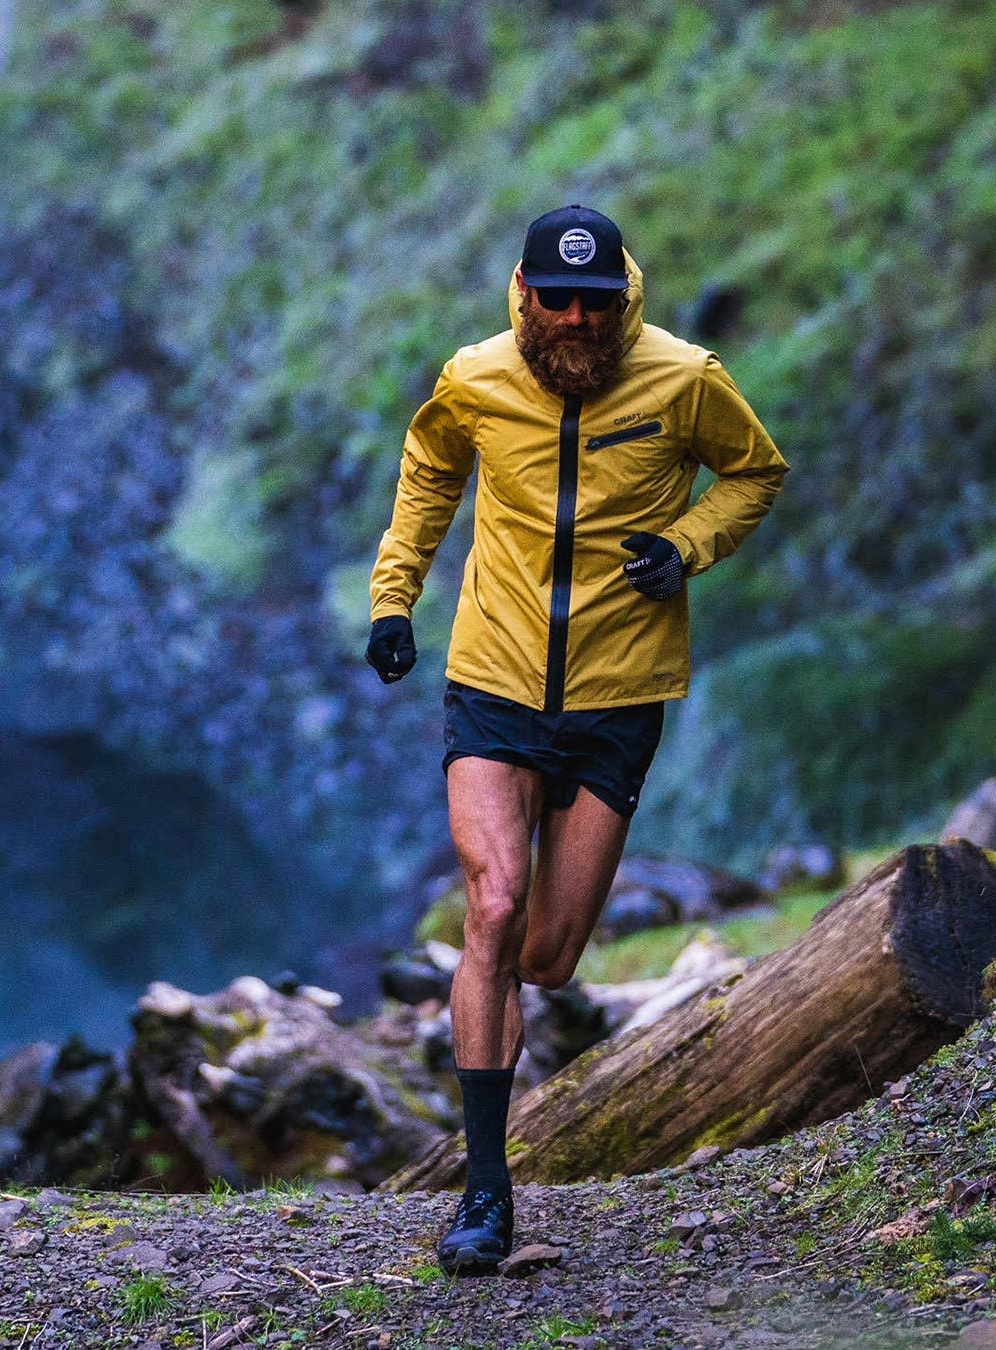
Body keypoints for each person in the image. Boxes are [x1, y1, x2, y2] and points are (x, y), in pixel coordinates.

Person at [363, 204, 788, 1274]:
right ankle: (485, 1193)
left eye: (597, 305)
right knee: (494, 910)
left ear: (621, 301)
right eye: (558, 300)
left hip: (617, 695)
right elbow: (428, 477)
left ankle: (475, 1029)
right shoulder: (476, 377)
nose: (577, 321)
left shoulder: (684, 378)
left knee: (546, 959)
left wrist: (686, 546)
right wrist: (392, 600)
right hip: (494, 680)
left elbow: (757, 474)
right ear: (526, 292)